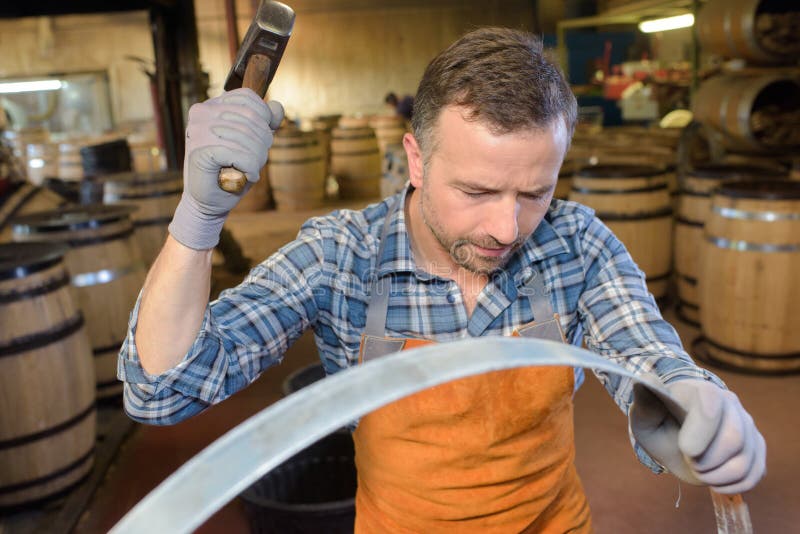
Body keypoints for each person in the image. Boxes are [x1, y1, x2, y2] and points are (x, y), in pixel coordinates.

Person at [119, 27, 765, 532]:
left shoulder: (575, 242)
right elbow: (163, 390)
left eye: (534, 191)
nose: (508, 228)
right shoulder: (342, 257)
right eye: (478, 190)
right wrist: (198, 219)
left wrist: (693, 401)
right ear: (416, 159)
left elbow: (644, 351)